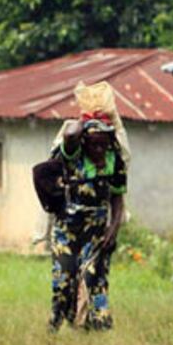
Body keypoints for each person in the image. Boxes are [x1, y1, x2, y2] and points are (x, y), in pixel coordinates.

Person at [49, 110, 126, 332]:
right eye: (94, 144)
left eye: (103, 144)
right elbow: (70, 134)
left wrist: (112, 230)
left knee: (95, 279)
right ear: (84, 142)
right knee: (64, 280)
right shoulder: (74, 155)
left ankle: (101, 327)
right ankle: (57, 323)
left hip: (97, 230)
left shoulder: (114, 161)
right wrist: (87, 121)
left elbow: (118, 198)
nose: (99, 150)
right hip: (67, 229)